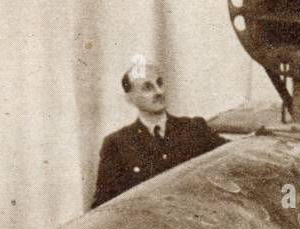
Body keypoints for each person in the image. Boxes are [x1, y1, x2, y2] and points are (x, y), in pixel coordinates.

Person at [91, 57, 225, 209]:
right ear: (129, 98)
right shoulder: (117, 144)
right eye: (148, 87)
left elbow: (235, 157)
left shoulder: (194, 128)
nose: (159, 91)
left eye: (160, 83)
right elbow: (103, 206)